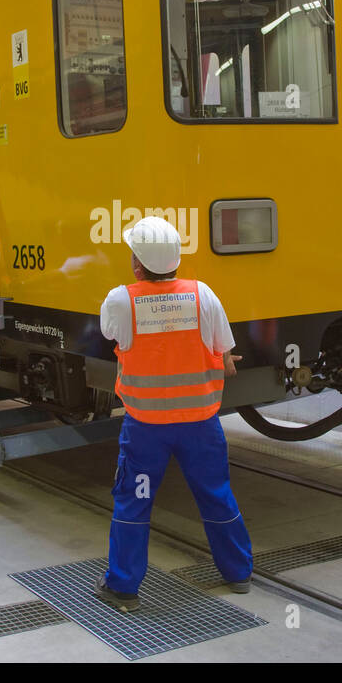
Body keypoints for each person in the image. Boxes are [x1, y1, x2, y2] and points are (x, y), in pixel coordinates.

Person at [93, 216, 253, 612]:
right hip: (200, 425)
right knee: (215, 494)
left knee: (136, 499)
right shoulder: (204, 296)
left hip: (147, 429)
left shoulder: (120, 299)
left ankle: (123, 586)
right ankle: (238, 574)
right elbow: (225, 356)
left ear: (137, 263)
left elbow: (112, 335)